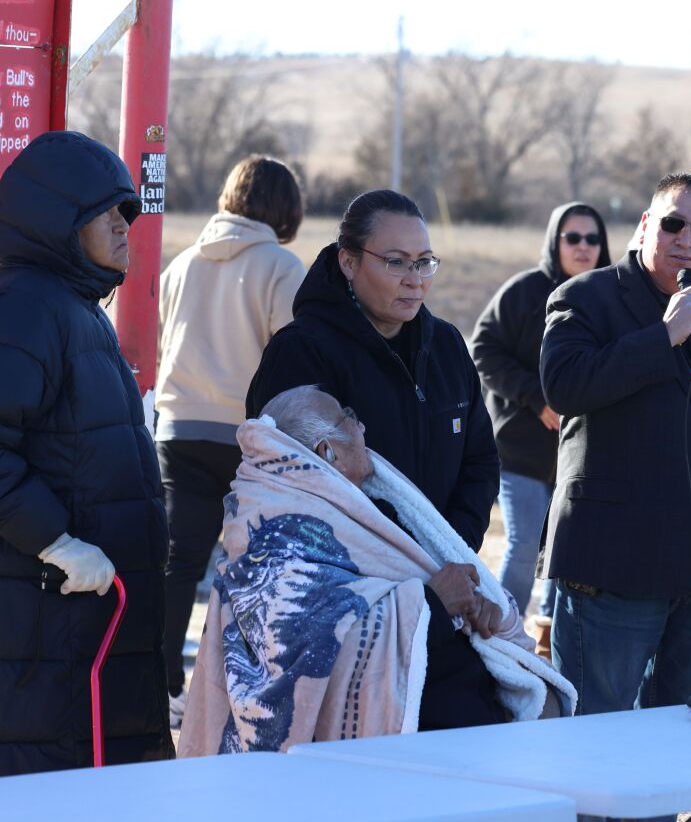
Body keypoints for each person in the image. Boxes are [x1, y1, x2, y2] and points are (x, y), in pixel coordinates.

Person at [0, 131, 170, 784]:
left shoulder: (72, 307)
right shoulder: (24, 308)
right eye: (105, 213)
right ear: (58, 222)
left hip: (73, 629)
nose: (123, 227)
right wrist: (56, 541)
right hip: (32, 633)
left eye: (127, 212)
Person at [180, 385, 574, 754]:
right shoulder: (278, 533)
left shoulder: (364, 506)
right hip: (423, 738)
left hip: (460, 710)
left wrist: (473, 600)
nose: (363, 426)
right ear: (327, 451)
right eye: (349, 417)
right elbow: (306, 640)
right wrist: (434, 603)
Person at [540, 172, 691, 720]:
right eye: (673, 224)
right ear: (646, 226)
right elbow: (565, 387)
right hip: (612, 569)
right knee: (595, 732)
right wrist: (664, 336)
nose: (685, 239)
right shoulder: (586, 297)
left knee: (676, 736)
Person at [246, 189, 499, 549]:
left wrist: (453, 549)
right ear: (349, 262)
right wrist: (399, 561)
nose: (414, 279)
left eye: (424, 262)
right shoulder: (301, 351)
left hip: (447, 566)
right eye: (396, 262)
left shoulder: (447, 346)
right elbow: (293, 487)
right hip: (347, 574)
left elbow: (480, 462)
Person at [152, 155, 305, 725]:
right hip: (250, 436)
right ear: (286, 207)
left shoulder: (181, 264)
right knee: (255, 567)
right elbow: (291, 356)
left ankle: (161, 684)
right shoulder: (282, 267)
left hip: (179, 429)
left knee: (177, 566)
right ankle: (241, 693)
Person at [469, 202, 611, 638]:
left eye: (592, 238)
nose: (584, 247)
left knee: (567, 549)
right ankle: (499, 633)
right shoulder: (524, 291)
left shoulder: (609, 297)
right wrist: (537, 397)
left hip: (582, 454)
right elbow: (483, 350)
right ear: (554, 241)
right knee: (526, 542)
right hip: (520, 449)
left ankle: (549, 635)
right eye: (573, 237)